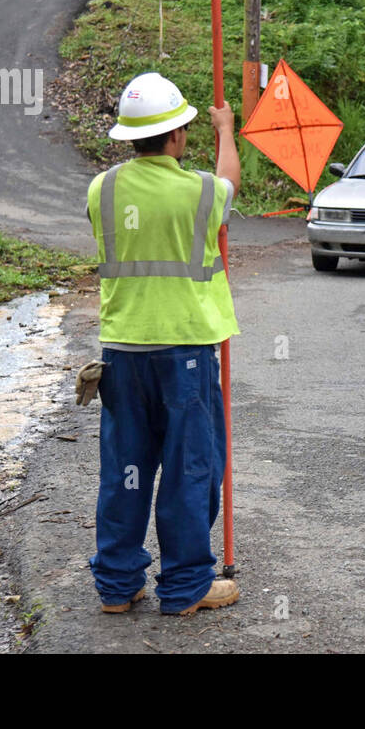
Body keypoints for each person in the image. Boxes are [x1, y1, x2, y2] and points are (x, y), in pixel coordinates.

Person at [85, 72, 242, 616]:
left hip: (123, 354)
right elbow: (229, 184)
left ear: (128, 136)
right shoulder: (199, 191)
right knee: (189, 469)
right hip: (185, 356)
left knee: (126, 470)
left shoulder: (100, 190)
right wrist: (226, 131)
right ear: (177, 136)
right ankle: (184, 587)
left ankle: (118, 585)